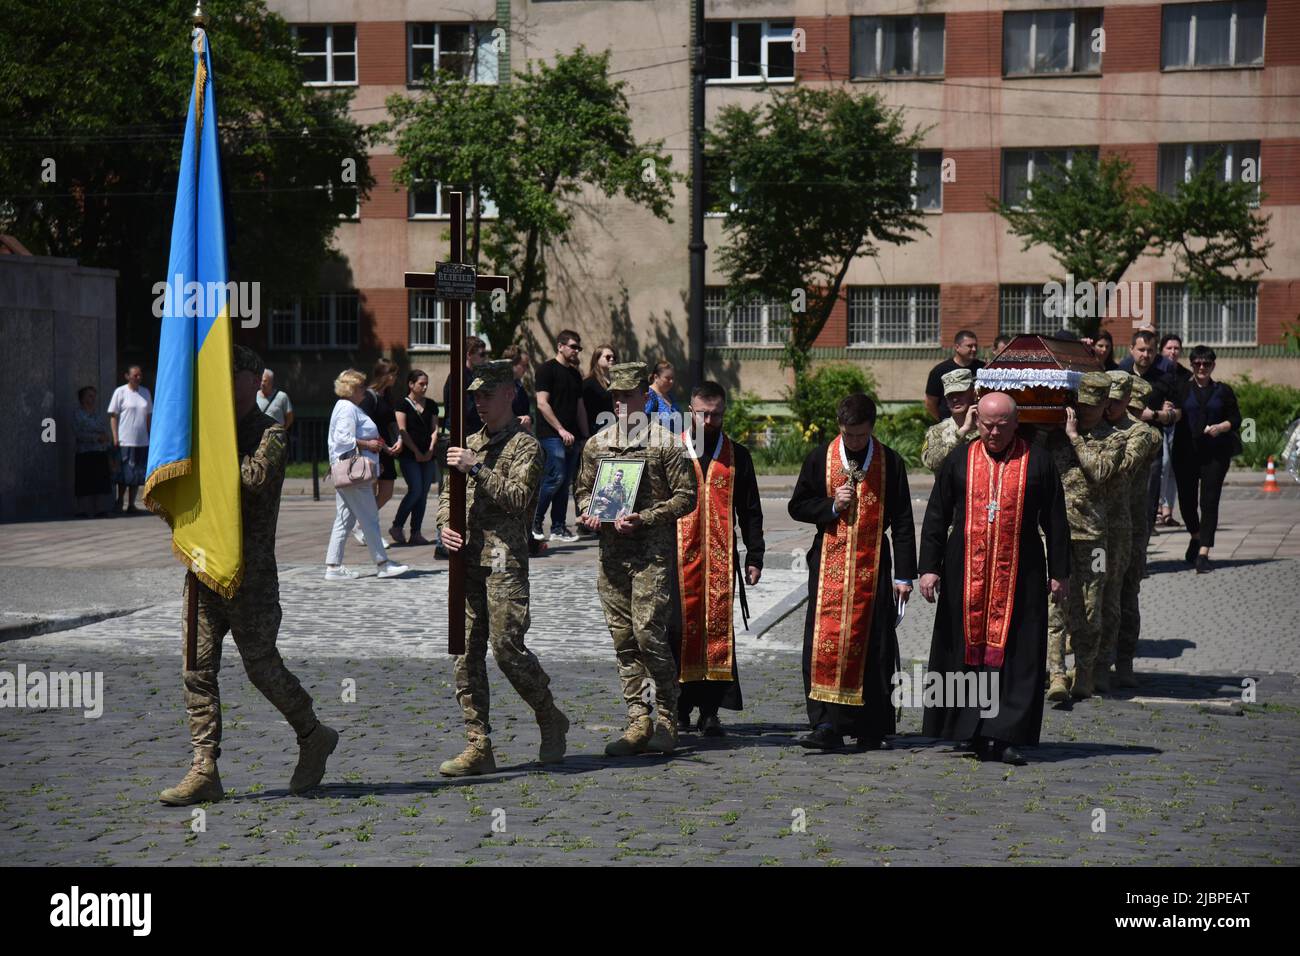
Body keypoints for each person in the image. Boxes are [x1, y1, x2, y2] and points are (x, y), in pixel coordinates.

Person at [159, 345, 338, 805]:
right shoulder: (199, 434)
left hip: (249, 575)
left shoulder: (269, 433)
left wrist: (214, 447)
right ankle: (205, 768)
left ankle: (312, 733)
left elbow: (254, 478)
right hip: (202, 566)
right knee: (196, 670)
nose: (219, 383)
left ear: (253, 380)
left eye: (230, 373)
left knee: (261, 668)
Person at [918, 392, 1070, 765]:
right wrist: (928, 567)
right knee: (965, 651)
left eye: (1002, 425)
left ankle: (1004, 734)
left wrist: (1060, 573)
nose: (994, 433)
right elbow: (937, 515)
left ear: (1016, 423)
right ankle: (967, 729)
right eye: (987, 425)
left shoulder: (1038, 461)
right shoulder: (959, 459)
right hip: (964, 575)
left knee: (1016, 654)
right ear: (977, 420)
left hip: (1021, 574)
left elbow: (1055, 521)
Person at [436, 361, 570, 776]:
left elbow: (516, 497)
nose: (479, 403)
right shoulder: (468, 442)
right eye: (475, 396)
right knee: (465, 653)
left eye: (487, 395)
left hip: (503, 561)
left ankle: (549, 715)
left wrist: (476, 466)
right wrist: (444, 525)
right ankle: (478, 744)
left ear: (509, 395)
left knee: (507, 649)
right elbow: (447, 493)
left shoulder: (525, 446)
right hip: (466, 560)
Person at [575, 361, 696, 757]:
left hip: (651, 555)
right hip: (611, 557)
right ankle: (637, 720)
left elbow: (686, 497)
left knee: (649, 634)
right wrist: (588, 512)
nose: (621, 403)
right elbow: (582, 492)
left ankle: (667, 718)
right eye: (615, 397)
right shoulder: (598, 445)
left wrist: (644, 517)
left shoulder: (666, 443)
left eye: (628, 396)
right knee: (624, 640)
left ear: (644, 397)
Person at [788, 393, 916, 751]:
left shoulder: (890, 462)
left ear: (872, 428)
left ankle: (871, 725)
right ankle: (826, 723)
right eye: (848, 434)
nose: (854, 441)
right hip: (828, 563)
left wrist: (905, 576)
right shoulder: (820, 458)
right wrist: (831, 505)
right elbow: (798, 505)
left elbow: (904, 521)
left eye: (860, 435)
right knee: (823, 642)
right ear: (839, 427)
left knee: (874, 643)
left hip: (873, 567)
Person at [669, 382, 765, 737]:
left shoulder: (738, 456)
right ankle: (678, 708)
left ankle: (710, 711)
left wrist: (755, 555)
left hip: (721, 563)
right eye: (702, 414)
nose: (709, 421)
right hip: (676, 562)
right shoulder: (671, 453)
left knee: (716, 635)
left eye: (716, 414)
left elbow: (751, 511)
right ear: (690, 412)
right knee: (678, 633)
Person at [1043, 372, 1122, 700]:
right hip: (1057, 535)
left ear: (1105, 404)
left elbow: (1100, 472)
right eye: (1081, 404)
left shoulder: (1114, 438)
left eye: (1092, 406)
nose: (1085, 411)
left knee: (1090, 609)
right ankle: (1057, 673)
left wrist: (1075, 437)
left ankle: (1086, 672)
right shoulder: (1054, 437)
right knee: (1054, 607)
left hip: (1093, 538)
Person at [324, 369, 409, 581]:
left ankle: (333, 566)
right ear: (351, 388)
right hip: (354, 474)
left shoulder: (348, 407)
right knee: (369, 518)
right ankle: (382, 563)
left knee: (344, 519)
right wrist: (368, 444)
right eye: (361, 386)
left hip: (350, 473)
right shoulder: (346, 408)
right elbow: (343, 439)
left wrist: (382, 447)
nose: (364, 388)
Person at [1172, 346, 1242, 573]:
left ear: (1213, 365)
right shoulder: (1181, 388)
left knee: (1209, 503)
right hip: (1186, 453)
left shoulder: (1224, 391)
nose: (1202, 367)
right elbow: (1171, 411)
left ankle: (1203, 553)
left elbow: (1236, 418)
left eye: (1206, 364)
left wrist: (1221, 427)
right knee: (1187, 503)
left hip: (1215, 454)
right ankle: (1196, 535)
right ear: (1191, 365)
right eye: (1197, 364)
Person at [1115, 376, 1163, 685]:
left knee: (1127, 596)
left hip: (1131, 527)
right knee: (1100, 598)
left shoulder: (1146, 435)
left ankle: (1124, 662)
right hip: (1105, 527)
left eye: (1133, 407)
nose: (1127, 413)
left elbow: (1122, 464)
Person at [1092, 373, 1137, 693]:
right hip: (1089, 527)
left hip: (1119, 530)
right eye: (1106, 400)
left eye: (1117, 400)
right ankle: (1086, 663)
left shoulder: (1138, 433)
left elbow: (1110, 470)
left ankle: (1112, 663)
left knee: (1116, 597)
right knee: (1090, 598)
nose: (1110, 406)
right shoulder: (1091, 429)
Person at [533, 330, 589, 543]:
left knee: (564, 482)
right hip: (552, 435)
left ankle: (558, 527)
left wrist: (584, 435)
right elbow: (541, 403)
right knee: (553, 478)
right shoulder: (547, 370)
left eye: (578, 347)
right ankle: (535, 521)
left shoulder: (575, 374)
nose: (576, 351)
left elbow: (580, 407)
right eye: (573, 346)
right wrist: (560, 429)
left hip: (572, 436)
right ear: (560, 346)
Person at [1127, 330, 1183, 534]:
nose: (1145, 354)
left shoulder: (1165, 379)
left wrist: (1156, 415)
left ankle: (1147, 532)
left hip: (1153, 444)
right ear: (1131, 349)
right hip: (1124, 443)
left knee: (1151, 492)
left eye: (1150, 351)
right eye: (1141, 349)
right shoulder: (1122, 375)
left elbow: (1177, 413)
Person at [391, 369, 440, 546]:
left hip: (428, 454)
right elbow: (402, 430)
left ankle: (416, 532)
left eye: (426, 383)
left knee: (423, 494)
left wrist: (430, 447)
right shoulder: (402, 404)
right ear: (411, 384)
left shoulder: (432, 404)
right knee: (415, 490)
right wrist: (416, 452)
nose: (425, 386)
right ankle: (397, 526)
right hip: (409, 456)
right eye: (421, 383)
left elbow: (435, 428)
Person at [360, 359, 402, 541]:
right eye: (393, 374)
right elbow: (366, 428)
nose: (395, 377)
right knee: (371, 491)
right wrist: (384, 446)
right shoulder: (369, 397)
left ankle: (361, 523)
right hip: (373, 450)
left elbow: (391, 423)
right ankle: (367, 529)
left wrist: (399, 439)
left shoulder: (387, 395)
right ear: (384, 375)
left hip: (387, 450)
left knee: (386, 492)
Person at [578, 344, 618, 532]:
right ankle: (585, 517)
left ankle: (605, 514)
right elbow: (583, 410)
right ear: (597, 359)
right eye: (607, 357)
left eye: (613, 357)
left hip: (612, 432)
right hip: (596, 431)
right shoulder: (589, 383)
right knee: (590, 475)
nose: (612, 360)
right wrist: (586, 434)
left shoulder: (614, 382)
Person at [107, 365, 152, 514]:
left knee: (137, 474)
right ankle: (120, 500)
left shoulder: (145, 392)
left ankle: (131, 504)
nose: (138, 378)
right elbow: (113, 415)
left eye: (140, 375)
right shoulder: (120, 392)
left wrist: (150, 435)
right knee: (124, 473)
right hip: (125, 439)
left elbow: (148, 416)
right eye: (135, 375)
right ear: (127, 376)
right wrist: (115, 436)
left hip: (142, 440)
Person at [920, 368, 979, 471]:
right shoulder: (937, 431)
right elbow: (932, 463)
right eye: (950, 395)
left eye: (960, 393)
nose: (955, 399)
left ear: (973, 394)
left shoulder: (987, 427)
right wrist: (962, 432)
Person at [73, 385, 114, 517]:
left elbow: (104, 429)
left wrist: (104, 437)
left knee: (100, 481)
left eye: (94, 395)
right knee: (84, 481)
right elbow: (79, 433)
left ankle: (100, 509)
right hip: (84, 452)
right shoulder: (78, 414)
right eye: (89, 395)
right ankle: (82, 510)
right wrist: (97, 437)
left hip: (100, 451)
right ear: (82, 398)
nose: (92, 398)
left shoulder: (98, 414)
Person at [925, 330, 984, 422]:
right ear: (957, 347)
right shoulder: (940, 371)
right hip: (951, 424)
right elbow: (930, 402)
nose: (974, 349)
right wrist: (943, 422)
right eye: (969, 346)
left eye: (975, 346)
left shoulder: (983, 369)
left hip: (977, 423)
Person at [443, 335, 490, 437]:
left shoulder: (472, 374)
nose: (485, 357)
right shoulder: (460, 375)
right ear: (469, 355)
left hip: (470, 428)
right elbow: (469, 405)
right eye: (481, 354)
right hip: (462, 430)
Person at [502, 344, 533, 431]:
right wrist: (518, 419)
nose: (526, 369)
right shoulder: (498, 386)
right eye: (524, 365)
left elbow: (525, 410)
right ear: (512, 364)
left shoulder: (518, 385)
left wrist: (529, 418)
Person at [645, 361, 677, 428]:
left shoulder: (670, 396)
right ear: (656, 377)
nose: (671, 381)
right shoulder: (649, 395)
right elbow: (645, 423)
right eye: (667, 378)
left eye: (672, 378)